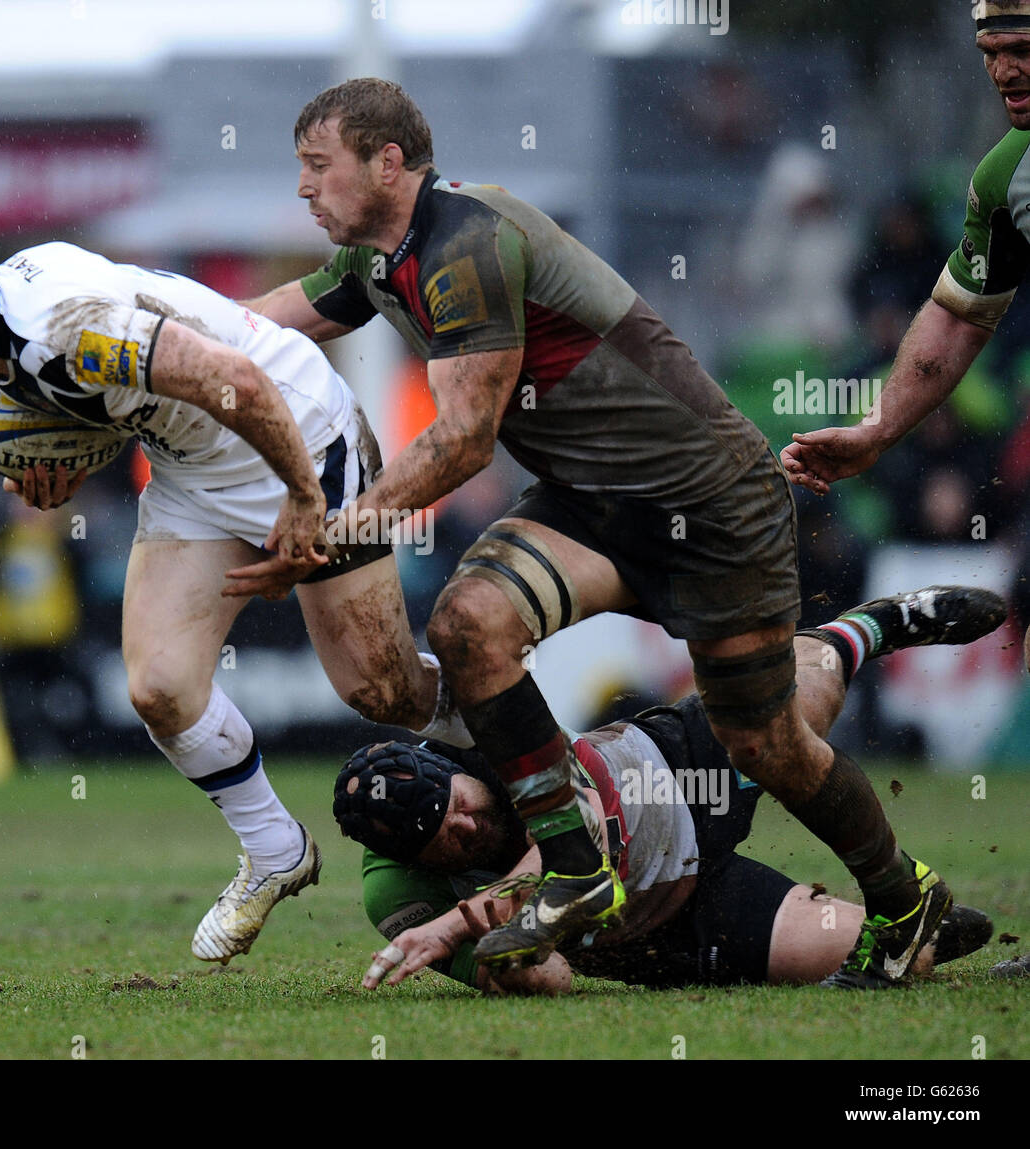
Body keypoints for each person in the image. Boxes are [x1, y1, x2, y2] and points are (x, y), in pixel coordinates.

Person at [234, 77, 971, 988]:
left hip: (710, 499)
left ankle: (902, 895)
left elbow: (464, 439)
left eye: (317, 166)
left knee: (764, 746)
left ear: (389, 164)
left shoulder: (466, 242)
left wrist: (336, 533)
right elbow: (238, 331)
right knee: (468, 624)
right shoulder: (375, 264)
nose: (303, 187)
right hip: (595, 502)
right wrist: (127, 348)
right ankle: (577, 867)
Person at [0, 234, 470, 965]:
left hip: (298, 435)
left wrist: (304, 495)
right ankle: (276, 849)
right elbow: (118, 403)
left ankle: (517, 738)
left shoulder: (65, 328)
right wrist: (72, 462)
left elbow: (233, 378)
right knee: (159, 686)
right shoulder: (6, 340)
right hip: (193, 469)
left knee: (381, 687)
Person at [336, 588, 1002, 995]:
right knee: (905, 964)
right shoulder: (393, 893)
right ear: (413, 861)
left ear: (456, 767)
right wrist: (496, 956)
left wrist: (461, 918)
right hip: (657, 926)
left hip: (669, 775)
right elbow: (555, 978)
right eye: (444, 842)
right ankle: (949, 936)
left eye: (461, 805)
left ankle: (867, 628)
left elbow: (581, 842)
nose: (468, 828)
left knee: (787, 720)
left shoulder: (481, 733)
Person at [782, 6, 1030, 552]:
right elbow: (959, 316)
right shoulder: (1002, 177)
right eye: (991, 54)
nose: (1004, 72)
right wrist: (875, 431)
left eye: (1022, 52)